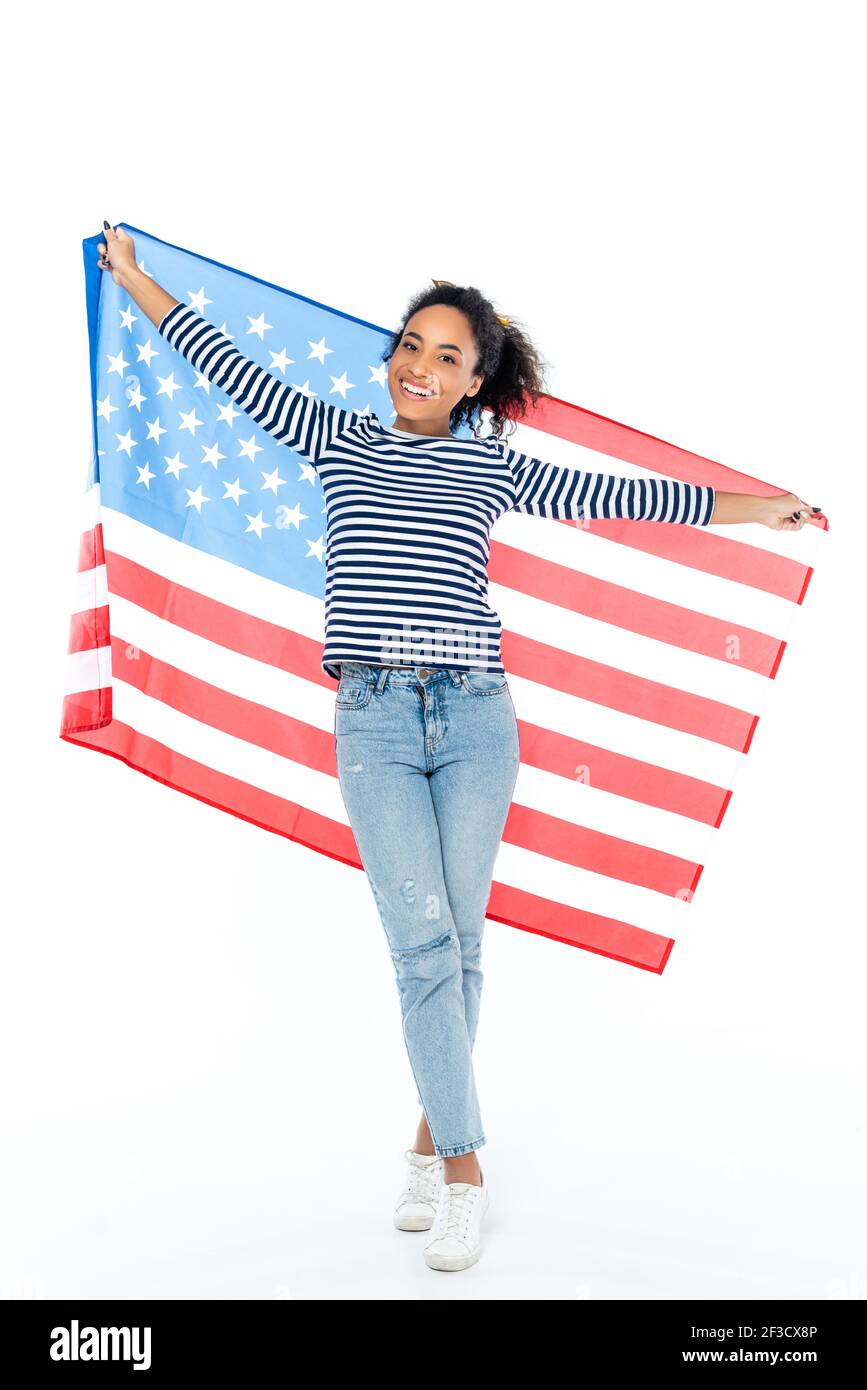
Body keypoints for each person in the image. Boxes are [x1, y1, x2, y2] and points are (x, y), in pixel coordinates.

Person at [96, 223, 819, 1274]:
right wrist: (136, 280)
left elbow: (629, 499)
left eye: (448, 357)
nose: (421, 367)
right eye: (411, 345)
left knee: (461, 946)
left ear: (475, 383)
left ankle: (435, 1146)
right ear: (389, 358)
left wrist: (763, 509)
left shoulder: (492, 471)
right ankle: (469, 1169)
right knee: (424, 946)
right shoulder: (335, 436)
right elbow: (225, 362)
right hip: (377, 722)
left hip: (478, 718)